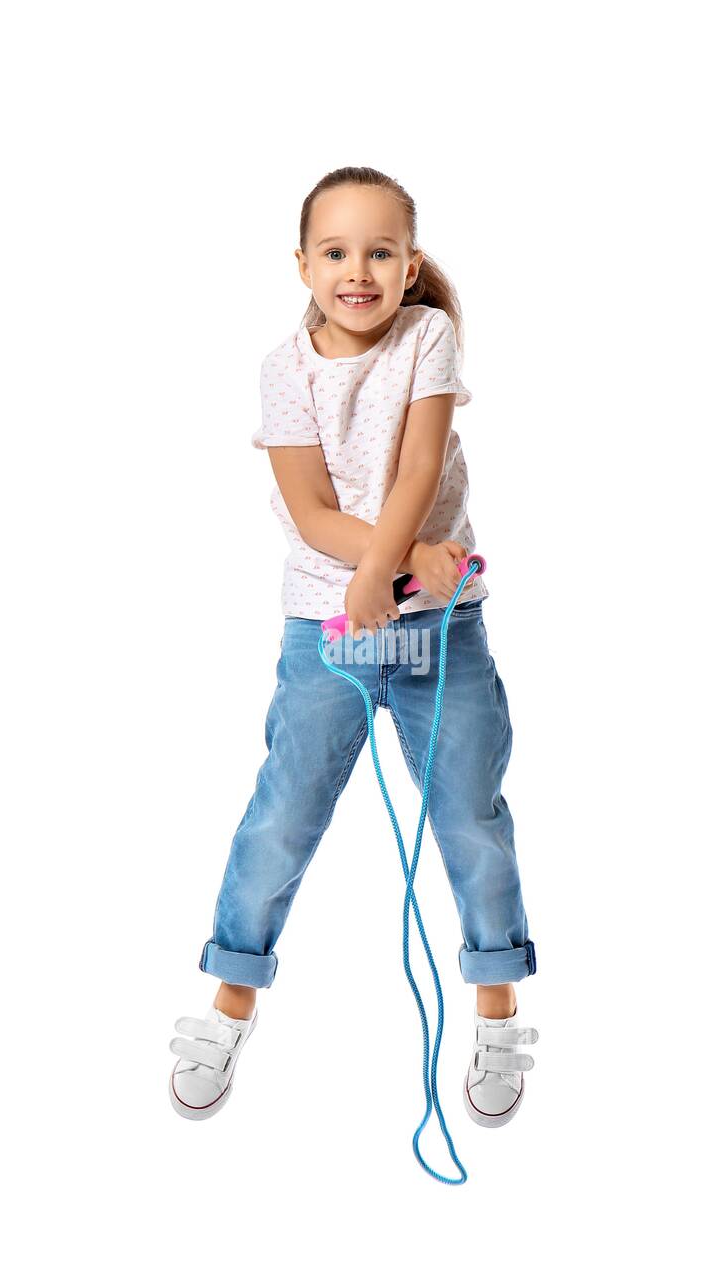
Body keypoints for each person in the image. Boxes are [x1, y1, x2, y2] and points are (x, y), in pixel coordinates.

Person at [169, 165, 539, 1128]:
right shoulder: (281, 368)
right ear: (302, 264)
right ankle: (229, 1003)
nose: (358, 269)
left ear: (410, 265)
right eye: (335, 251)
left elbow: (420, 464)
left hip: (441, 628)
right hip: (323, 634)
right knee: (281, 820)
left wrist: (392, 577)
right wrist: (391, 566)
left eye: (380, 250)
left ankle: (496, 1012)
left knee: (469, 816)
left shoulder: (428, 336)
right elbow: (308, 513)